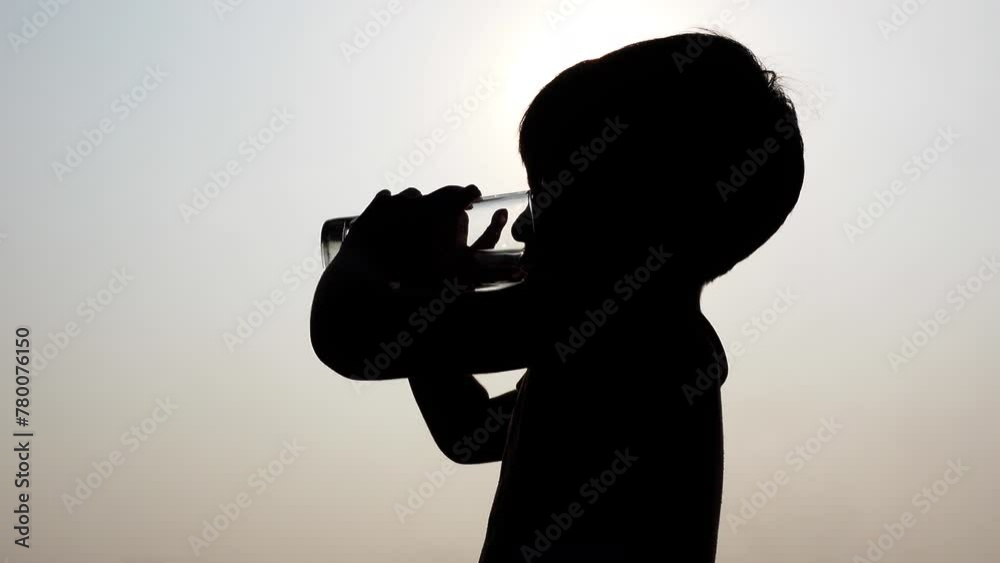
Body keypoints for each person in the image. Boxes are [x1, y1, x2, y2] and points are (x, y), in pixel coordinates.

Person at [311, 32, 805, 562]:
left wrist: (370, 251)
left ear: (626, 212)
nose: (522, 226)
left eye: (545, 196)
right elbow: (468, 432)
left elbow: (352, 334)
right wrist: (435, 289)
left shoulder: (613, 324)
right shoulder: (662, 345)